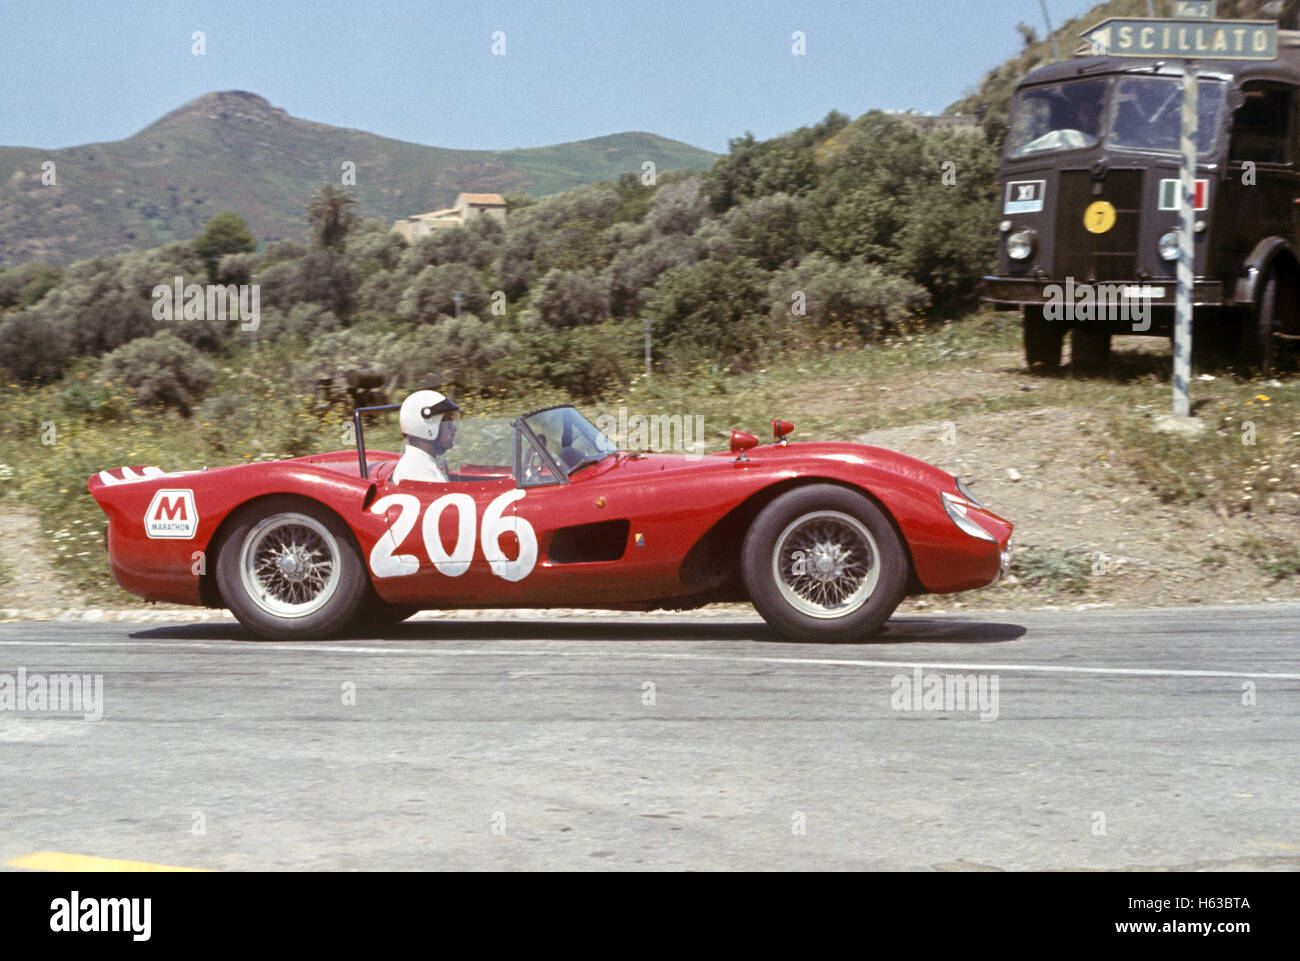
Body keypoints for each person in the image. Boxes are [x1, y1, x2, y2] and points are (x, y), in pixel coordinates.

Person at [391, 389, 459, 484]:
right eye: (448, 423)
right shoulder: (420, 474)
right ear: (428, 428)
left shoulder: (423, 464)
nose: (454, 428)